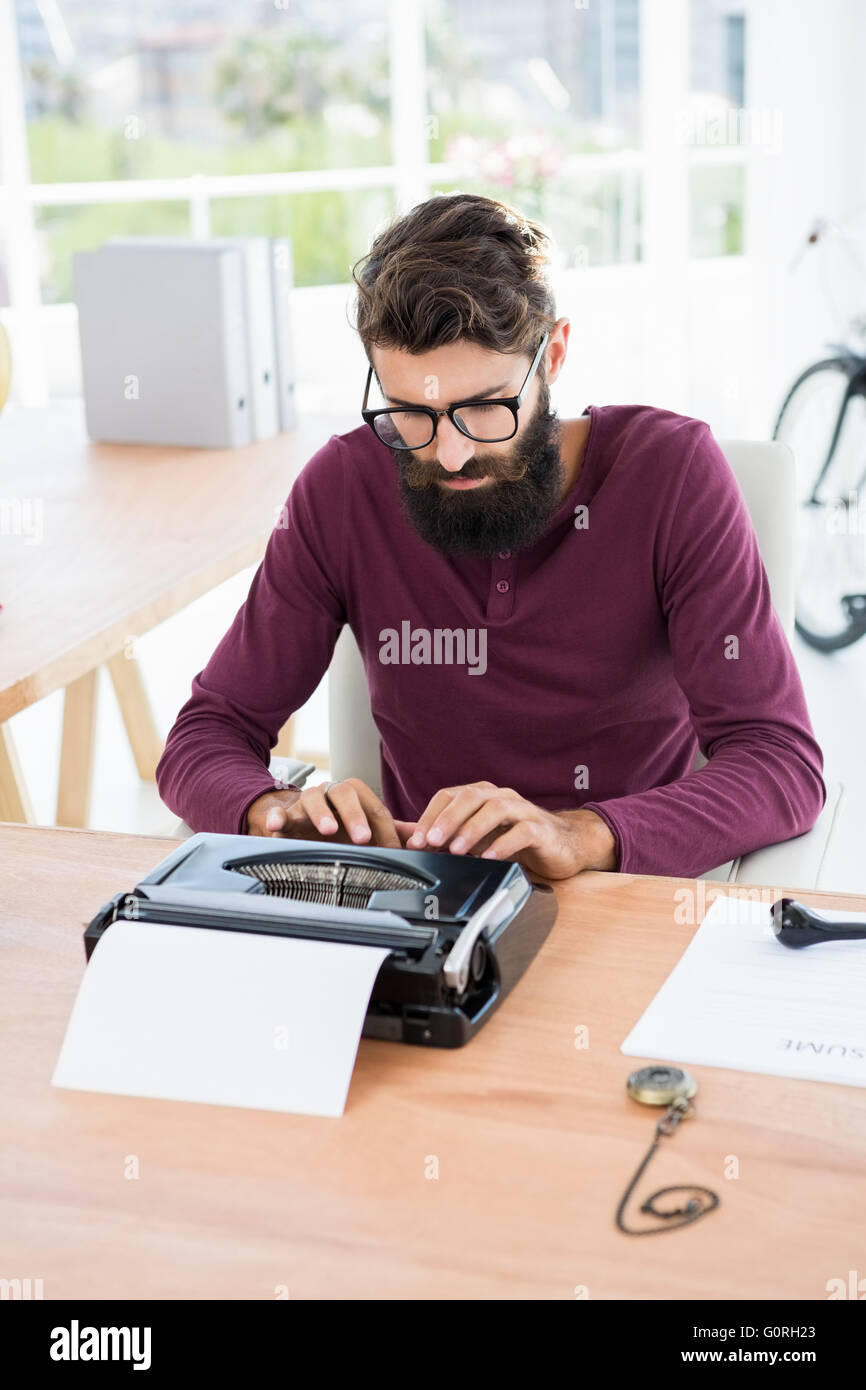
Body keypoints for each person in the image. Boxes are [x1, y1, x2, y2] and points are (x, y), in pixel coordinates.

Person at [155, 192, 825, 879]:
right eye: (410, 412)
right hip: (430, 902)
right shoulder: (343, 487)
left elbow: (780, 761)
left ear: (554, 355)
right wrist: (272, 811)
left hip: (629, 891)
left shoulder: (670, 473)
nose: (447, 454)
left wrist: (582, 836)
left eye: (483, 408)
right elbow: (203, 737)